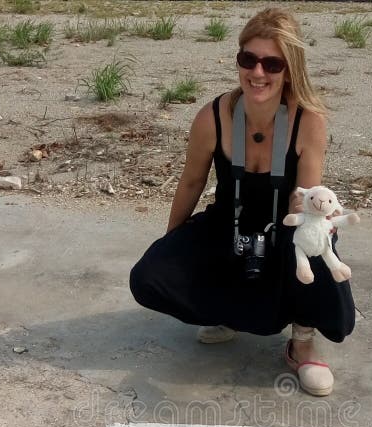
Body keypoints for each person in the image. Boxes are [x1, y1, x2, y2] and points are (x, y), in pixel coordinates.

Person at [129, 7, 355, 396]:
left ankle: (301, 340)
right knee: (149, 276)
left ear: (290, 69)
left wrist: (285, 257)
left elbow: (303, 204)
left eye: (272, 63)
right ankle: (229, 312)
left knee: (313, 246)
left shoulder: (308, 122)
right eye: (248, 59)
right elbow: (191, 183)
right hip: (228, 224)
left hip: (286, 225)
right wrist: (172, 244)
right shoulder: (213, 116)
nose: (258, 73)